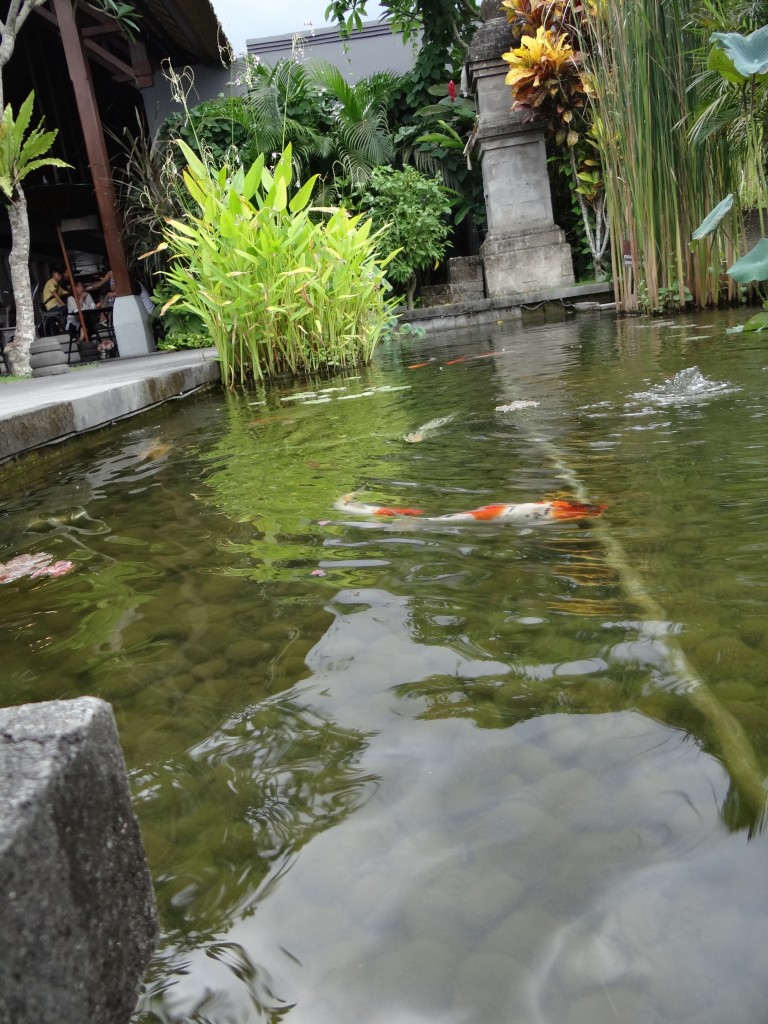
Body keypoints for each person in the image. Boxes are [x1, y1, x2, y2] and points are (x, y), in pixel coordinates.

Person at [67, 280, 114, 358]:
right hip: (75, 322)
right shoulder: (70, 298)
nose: (80, 288)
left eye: (82, 286)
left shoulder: (87, 295)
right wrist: (81, 298)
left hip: (87, 319)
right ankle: (97, 346)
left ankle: (83, 337)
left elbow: (92, 307)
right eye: (78, 287)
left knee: (88, 321)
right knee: (88, 323)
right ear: (73, 288)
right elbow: (77, 310)